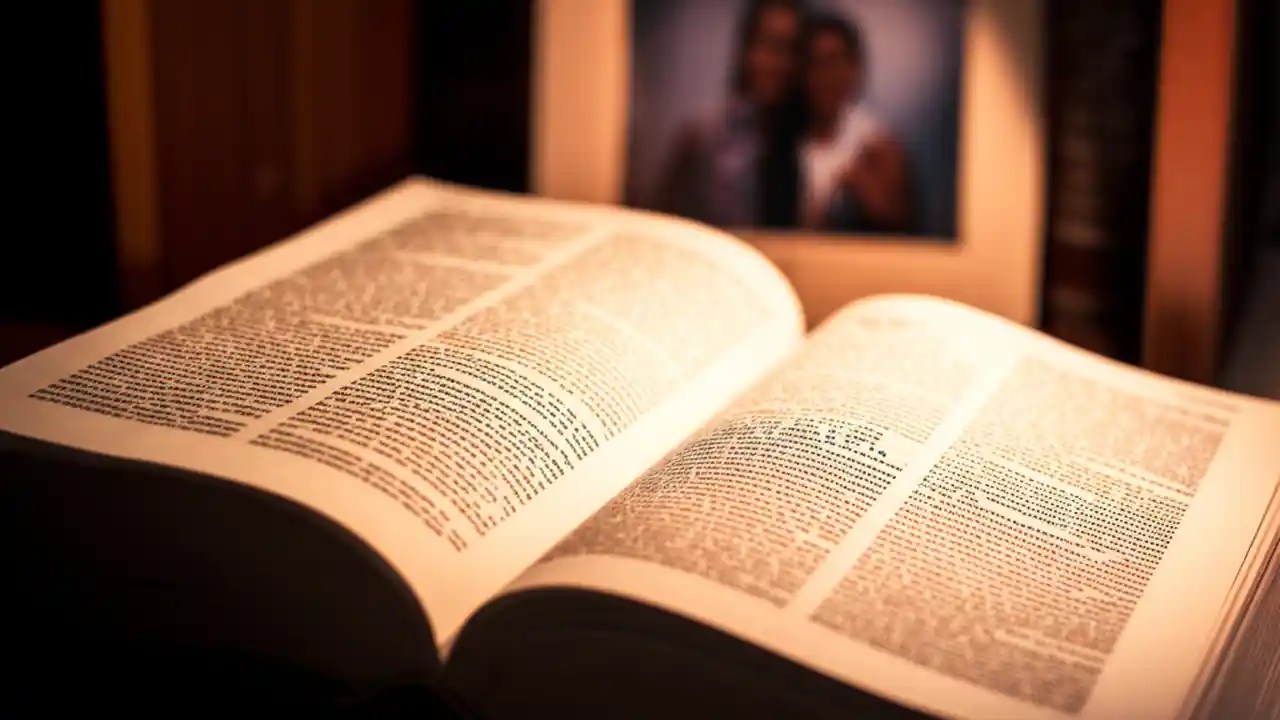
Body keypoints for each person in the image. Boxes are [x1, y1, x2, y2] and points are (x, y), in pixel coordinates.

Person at [654, 0, 802, 227]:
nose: (782, 64)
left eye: (792, 50)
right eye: (771, 47)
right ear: (747, 50)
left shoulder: (805, 140)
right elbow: (660, 219)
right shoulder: (703, 134)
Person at [797, 14, 913, 232]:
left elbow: (901, 226)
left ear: (854, 71)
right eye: (815, 64)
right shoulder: (785, 143)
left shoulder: (876, 143)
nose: (825, 77)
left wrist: (861, 188)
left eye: (834, 63)